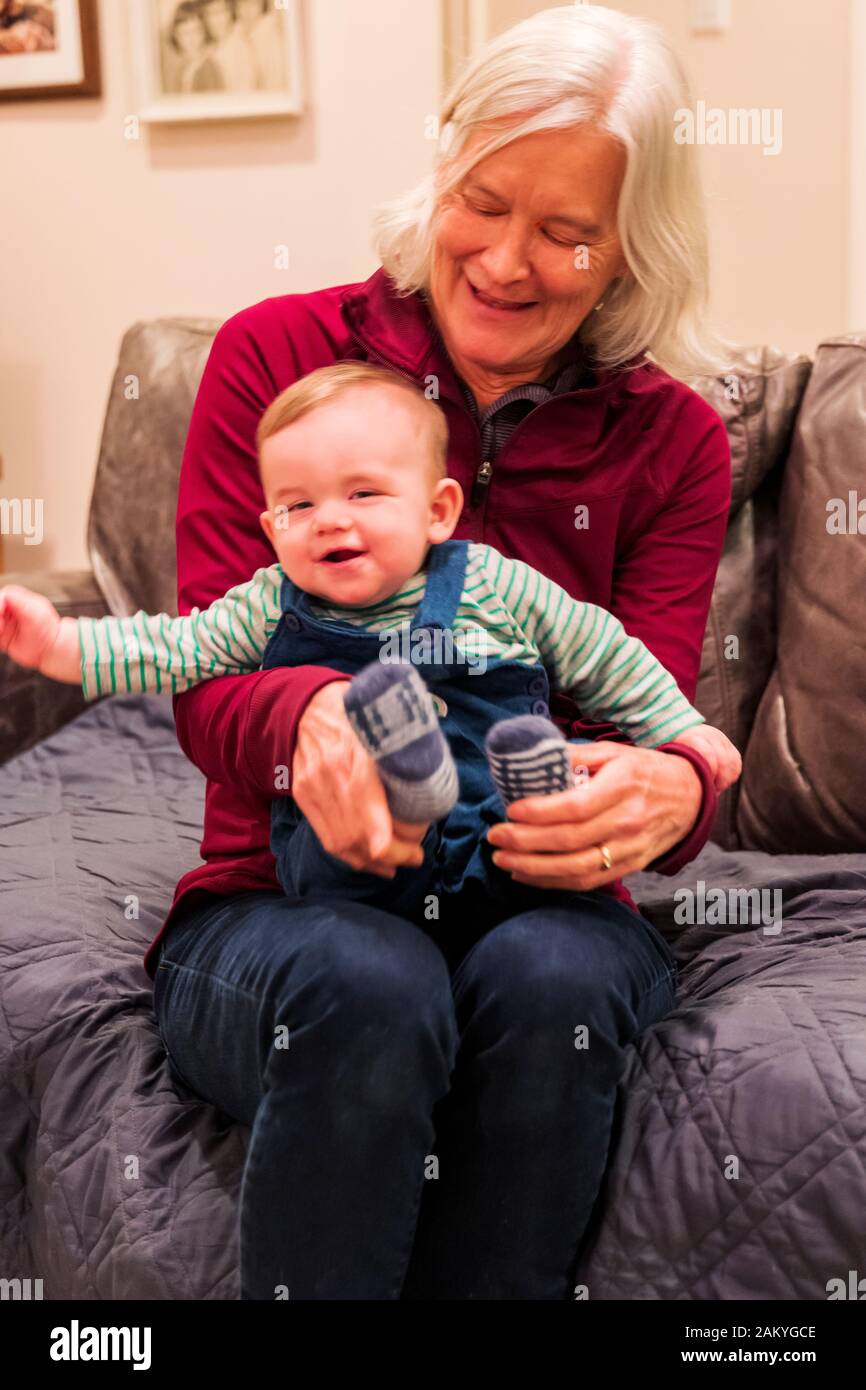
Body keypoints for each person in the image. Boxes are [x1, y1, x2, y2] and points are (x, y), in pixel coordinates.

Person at [75, 4, 747, 1299]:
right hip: (277, 901)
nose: (503, 261)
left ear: (630, 248)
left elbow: (649, 717)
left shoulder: (672, 442)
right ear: (441, 170)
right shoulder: (276, 356)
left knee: (554, 977)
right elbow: (213, 682)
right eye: (482, 202)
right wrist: (316, 715)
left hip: (543, 899)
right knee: (365, 982)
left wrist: (676, 789)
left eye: (564, 232)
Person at [0, 365, 740, 934]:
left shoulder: (495, 585)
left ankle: (535, 783)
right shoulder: (267, 602)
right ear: (271, 528)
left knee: (537, 851)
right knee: (325, 856)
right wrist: (58, 641)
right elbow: (169, 649)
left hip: (503, 839)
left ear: (438, 511)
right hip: (357, 851)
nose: (328, 520)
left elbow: (604, 655)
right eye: (298, 504)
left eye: (362, 495)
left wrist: (684, 736)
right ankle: (405, 781)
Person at [165, 1, 223, 95]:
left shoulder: (209, 70)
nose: (191, 38)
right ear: (176, 35)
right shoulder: (182, 69)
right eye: (185, 33)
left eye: (196, 31)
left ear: (204, 32)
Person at [200, 0, 257, 91]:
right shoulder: (209, 49)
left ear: (230, 13)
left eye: (220, 12)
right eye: (209, 14)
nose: (215, 19)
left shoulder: (240, 47)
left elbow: (246, 91)